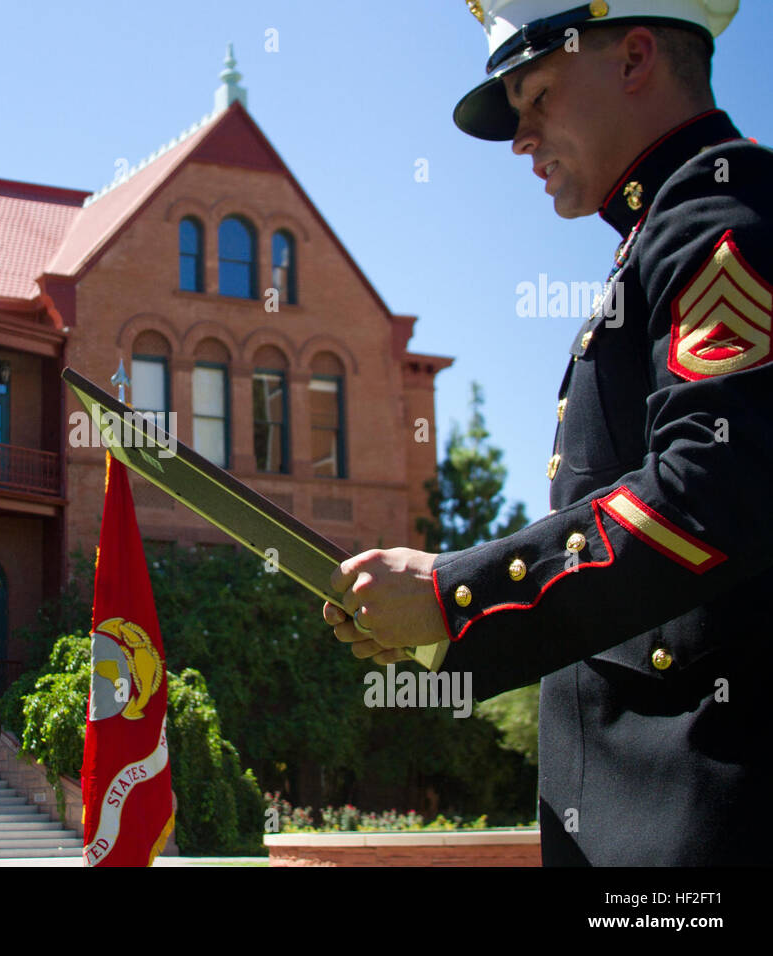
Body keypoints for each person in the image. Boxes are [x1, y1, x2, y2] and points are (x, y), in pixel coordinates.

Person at [325, 0, 772, 865]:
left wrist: (462, 595)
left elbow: (711, 490)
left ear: (636, 58)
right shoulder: (665, 231)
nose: (521, 139)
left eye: (536, 98)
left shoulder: (721, 214)